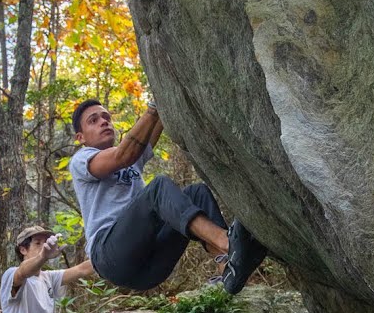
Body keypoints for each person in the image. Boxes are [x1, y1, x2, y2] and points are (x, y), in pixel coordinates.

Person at [68, 98, 268, 294]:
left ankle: (227, 267)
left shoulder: (131, 156)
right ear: (81, 137)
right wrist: (152, 109)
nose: (104, 121)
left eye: (106, 117)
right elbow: (123, 155)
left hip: (148, 268)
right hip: (110, 257)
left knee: (196, 193)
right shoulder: (81, 160)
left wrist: (164, 98)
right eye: (93, 120)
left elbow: (145, 137)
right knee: (158, 187)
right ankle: (228, 244)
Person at [0, 224, 95, 313]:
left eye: (46, 242)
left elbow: (81, 269)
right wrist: (43, 256)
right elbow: (22, 273)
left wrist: (106, 253)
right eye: (38, 243)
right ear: (23, 249)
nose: (44, 246)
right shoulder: (11, 275)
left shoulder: (49, 278)